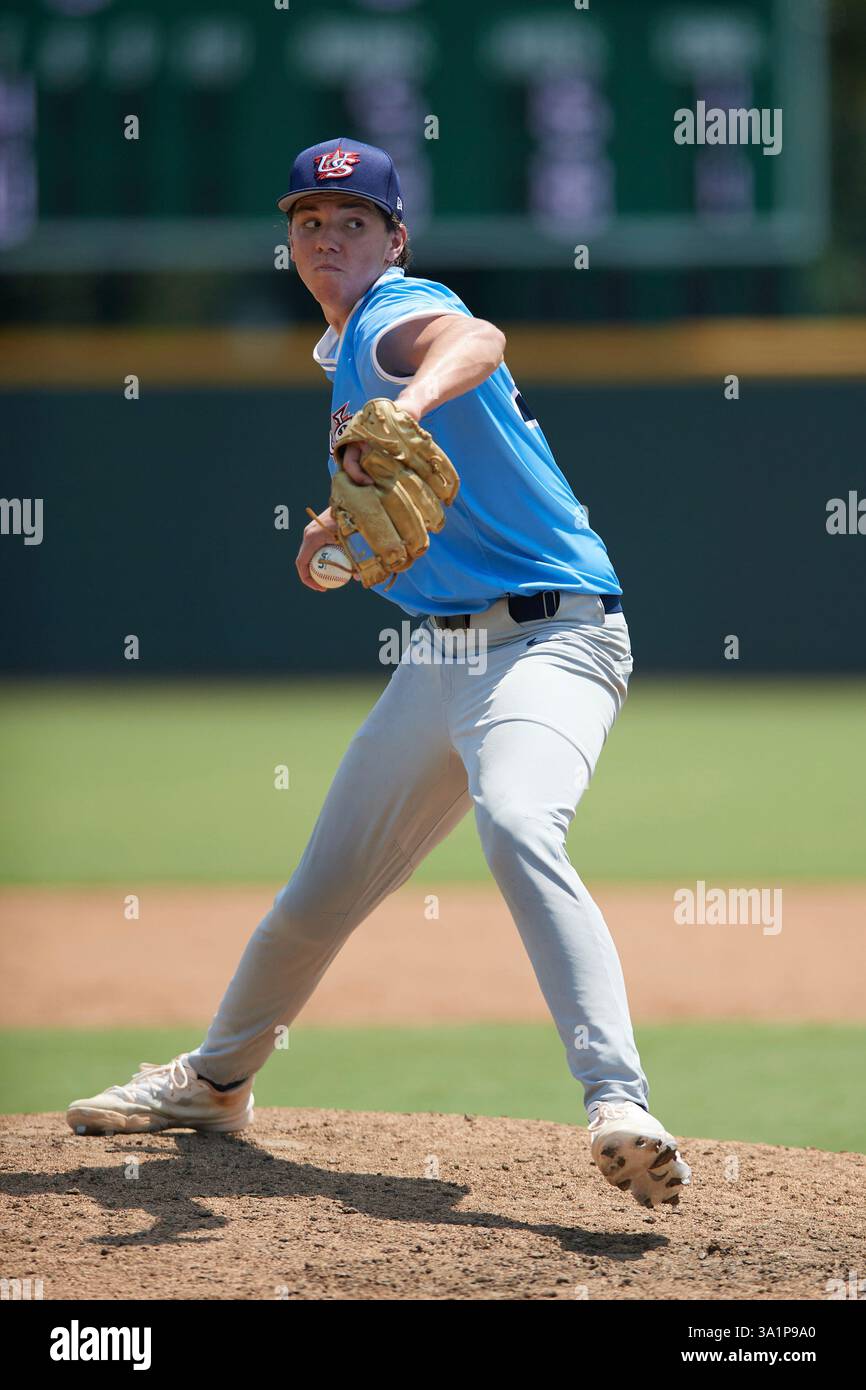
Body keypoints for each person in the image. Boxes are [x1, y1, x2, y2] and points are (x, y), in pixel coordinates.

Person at [66, 138, 690, 1211]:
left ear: (392, 239)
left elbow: (472, 336)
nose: (326, 237)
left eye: (351, 220)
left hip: (551, 643)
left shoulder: (399, 315)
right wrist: (334, 548)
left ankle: (618, 1101)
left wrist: (411, 399)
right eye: (309, 221)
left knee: (517, 824)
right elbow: (393, 527)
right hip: (439, 655)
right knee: (319, 893)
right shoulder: (343, 357)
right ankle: (215, 1083)